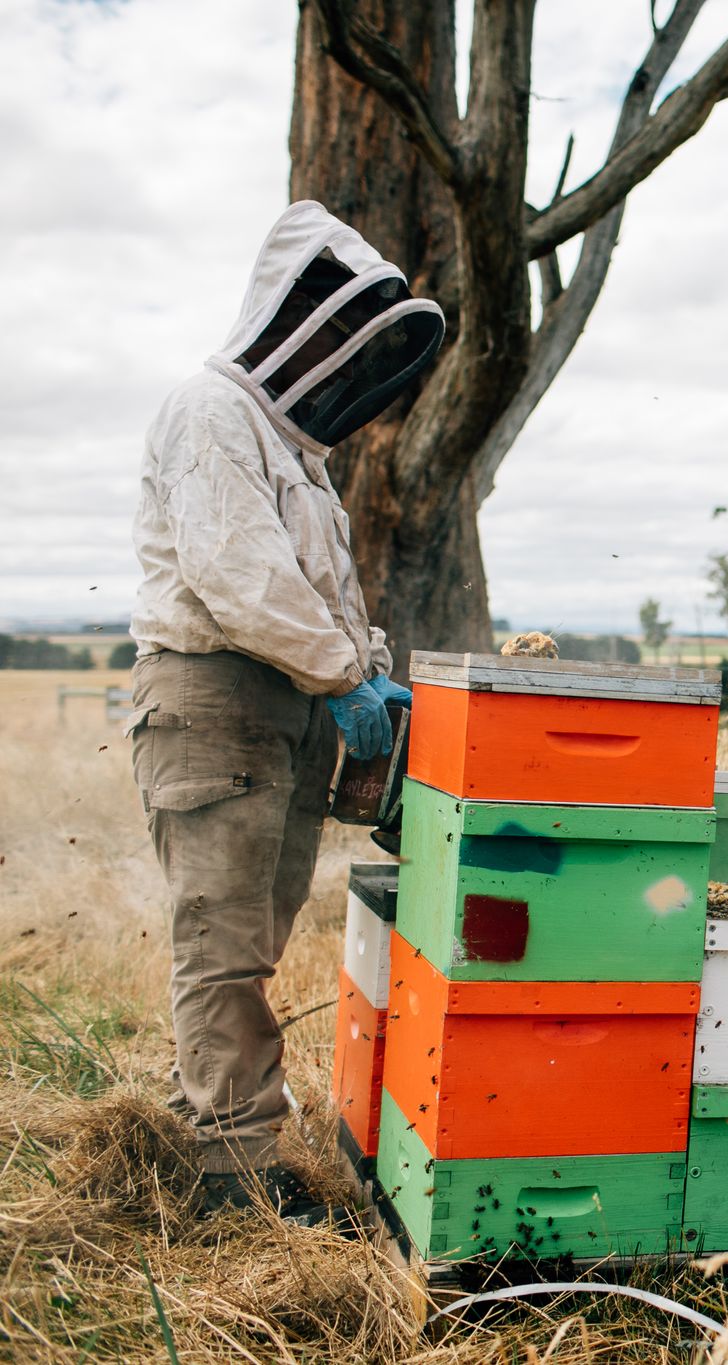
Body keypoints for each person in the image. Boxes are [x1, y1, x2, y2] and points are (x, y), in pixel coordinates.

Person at [128, 201, 444, 1224]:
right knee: (221, 943)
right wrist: (342, 674)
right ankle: (231, 1176)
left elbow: (318, 591)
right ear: (289, 316)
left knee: (253, 938)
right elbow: (239, 576)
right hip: (217, 700)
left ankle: (219, 1123)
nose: (341, 359)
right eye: (335, 331)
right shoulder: (209, 411)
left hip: (282, 703)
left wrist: (369, 670)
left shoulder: (293, 450)